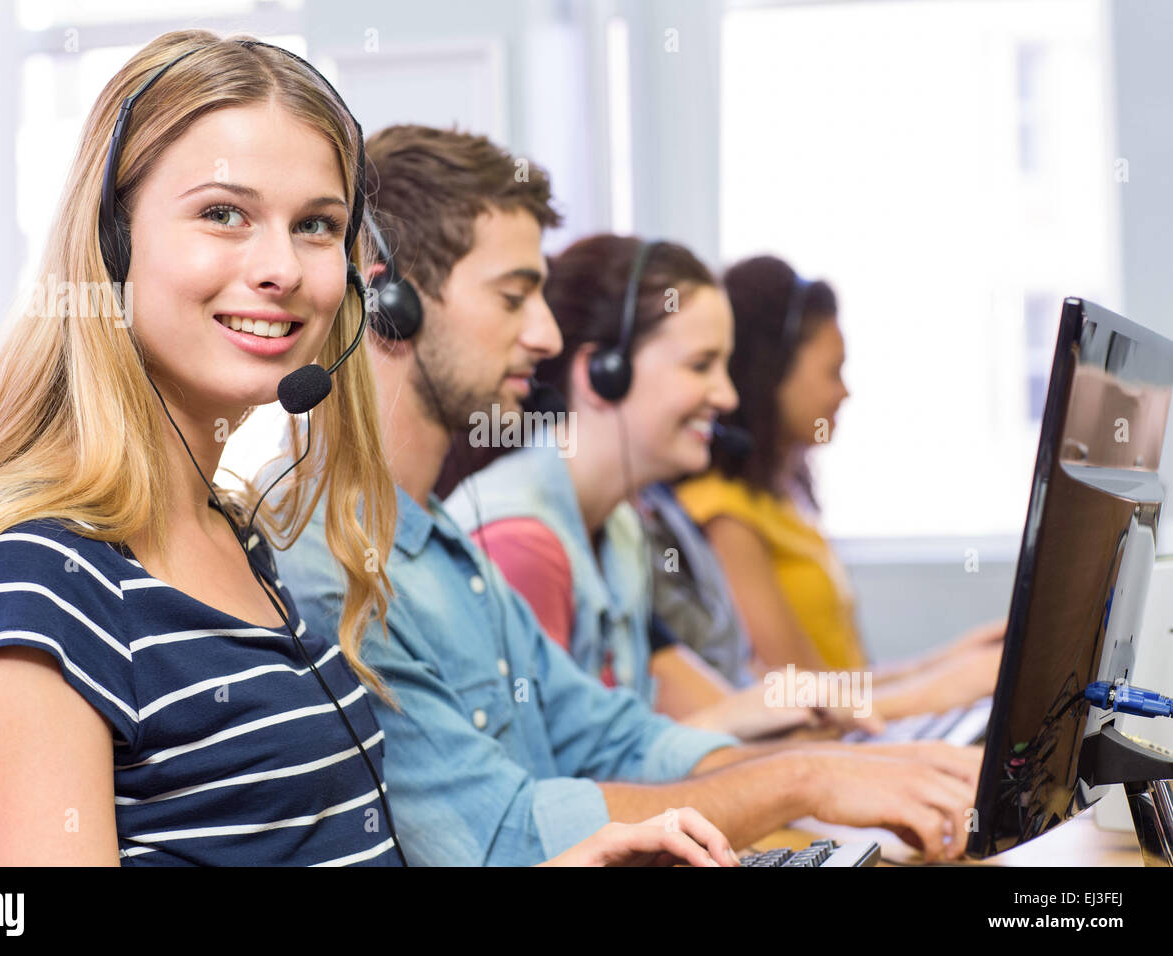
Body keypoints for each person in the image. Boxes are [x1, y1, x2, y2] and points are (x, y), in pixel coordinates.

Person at [0, 32, 730, 869]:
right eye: (223, 214)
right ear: (112, 244)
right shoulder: (38, 580)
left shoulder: (233, 534)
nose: (280, 266)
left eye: (317, 225)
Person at [277, 125, 979, 867]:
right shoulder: (329, 560)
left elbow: (612, 736)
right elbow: (501, 832)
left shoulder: (448, 546)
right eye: (515, 297)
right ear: (388, 301)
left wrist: (835, 772)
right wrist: (803, 779)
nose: (546, 335)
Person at [443, 234, 989, 740]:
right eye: (701, 365)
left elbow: (663, 739)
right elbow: (565, 789)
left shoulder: (624, 528)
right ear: (604, 373)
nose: (727, 396)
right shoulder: (521, 541)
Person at [673, 255, 1002, 711]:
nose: (844, 392)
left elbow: (838, 684)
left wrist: (950, 662)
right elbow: (809, 699)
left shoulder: (782, 498)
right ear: (772, 376)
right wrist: (945, 683)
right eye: (832, 371)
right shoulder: (723, 514)